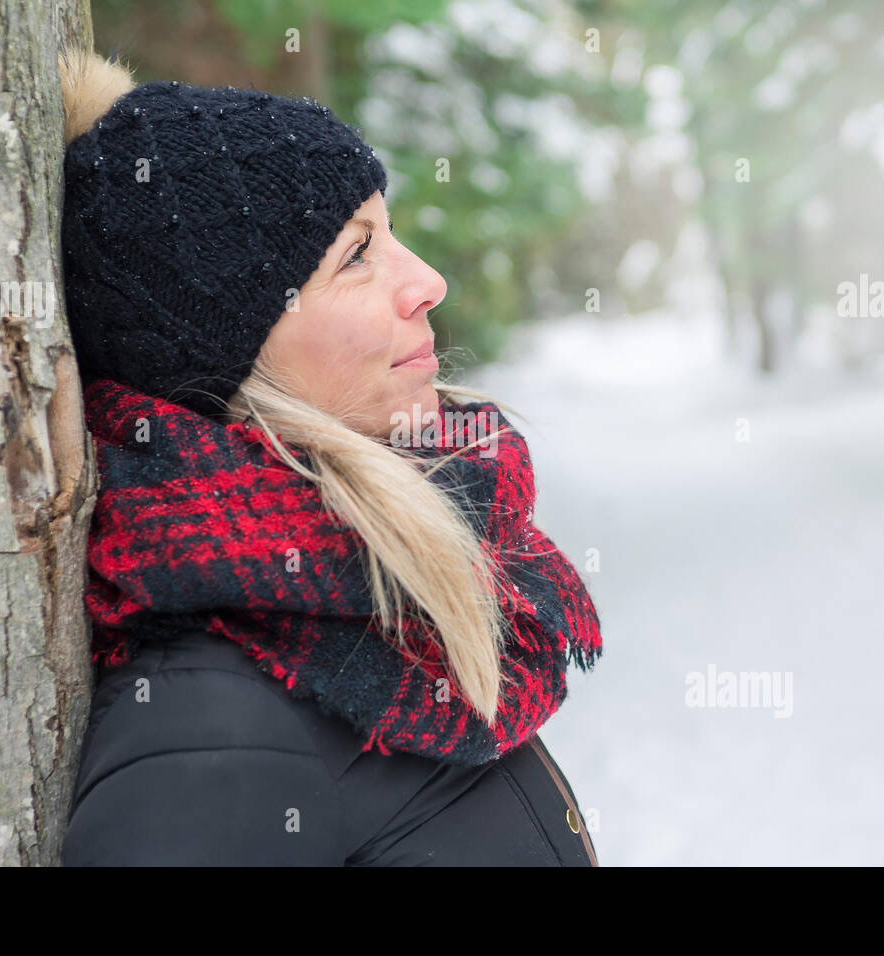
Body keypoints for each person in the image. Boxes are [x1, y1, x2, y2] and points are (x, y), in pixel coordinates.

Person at [56, 47, 604, 866]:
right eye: (355, 255)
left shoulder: (390, 594)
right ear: (228, 351)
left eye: (390, 234)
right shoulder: (207, 727)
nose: (428, 281)